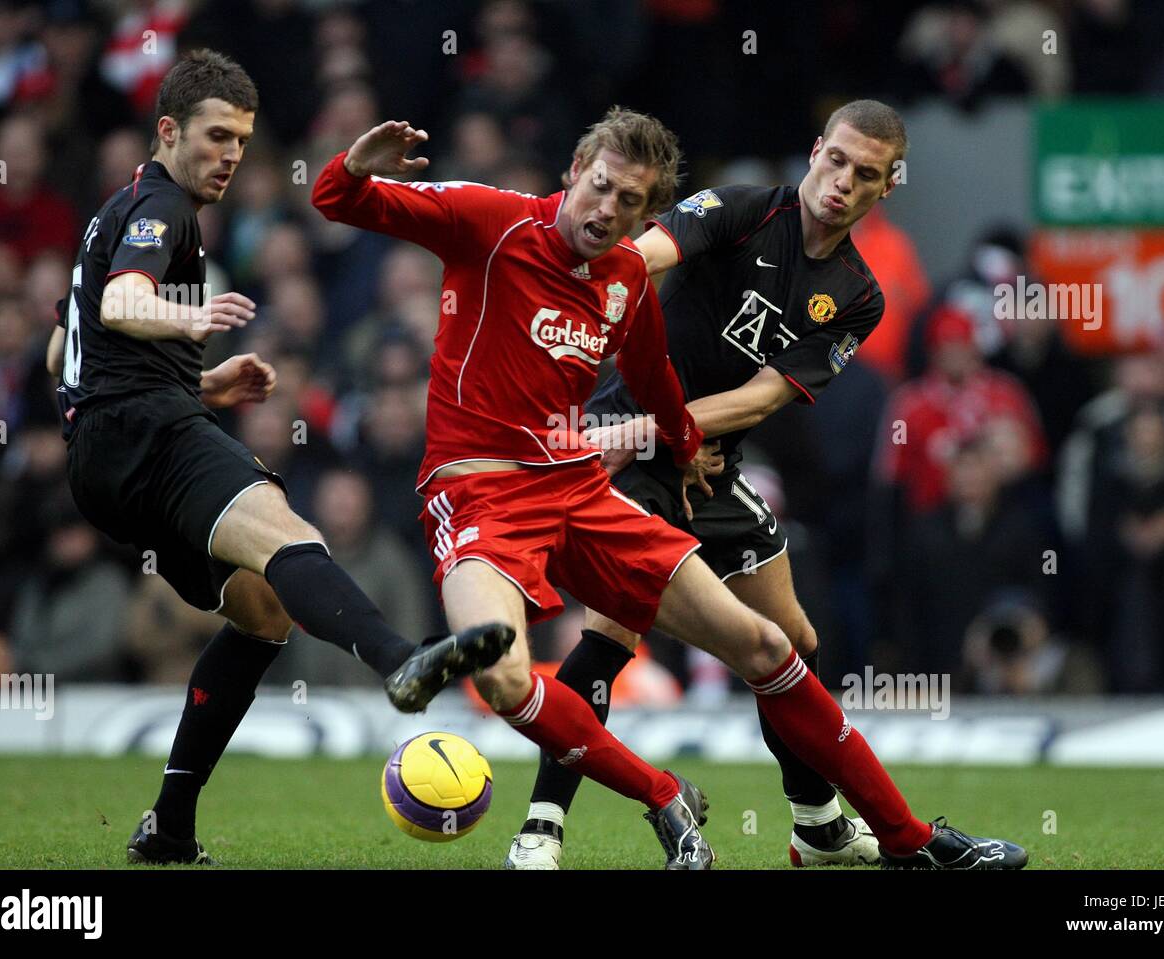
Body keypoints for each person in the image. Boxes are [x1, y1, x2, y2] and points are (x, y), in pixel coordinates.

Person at [313, 107, 1027, 870]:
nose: (608, 211)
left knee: (777, 643)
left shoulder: (662, 282)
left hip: (604, 479)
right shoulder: (492, 219)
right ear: (574, 173)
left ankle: (895, 840)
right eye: (600, 188)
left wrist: (683, 443)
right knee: (524, 666)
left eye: (629, 203)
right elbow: (338, 202)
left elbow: (660, 377)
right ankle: (615, 805)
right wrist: (356, 165)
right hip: (489, 487)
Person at [54, 50, 511, 866]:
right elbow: (124, 304)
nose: (231, 155)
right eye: (216, 136)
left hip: (102, 451)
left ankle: (170, 824)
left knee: (263, 611)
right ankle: (401, 660)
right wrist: (184, 325)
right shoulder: (163, 205)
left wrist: (199, 383)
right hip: (143, 431)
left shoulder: (113, 209)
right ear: (168, 130)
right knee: (285, 529)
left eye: (242, 140)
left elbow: (68, 340)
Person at [503, 99, 980, 870]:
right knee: (612, 630)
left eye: (865, 175)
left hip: (706, 459)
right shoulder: (738, 210)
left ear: (888, 186)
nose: (842, 182)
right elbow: (648, 254)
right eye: (836, 161)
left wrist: (676, 430)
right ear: (816, 149)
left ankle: (818, 825)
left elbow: (765, 396)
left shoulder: (860, 294)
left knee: (795, 642)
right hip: (623, 444)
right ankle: (540, 831)